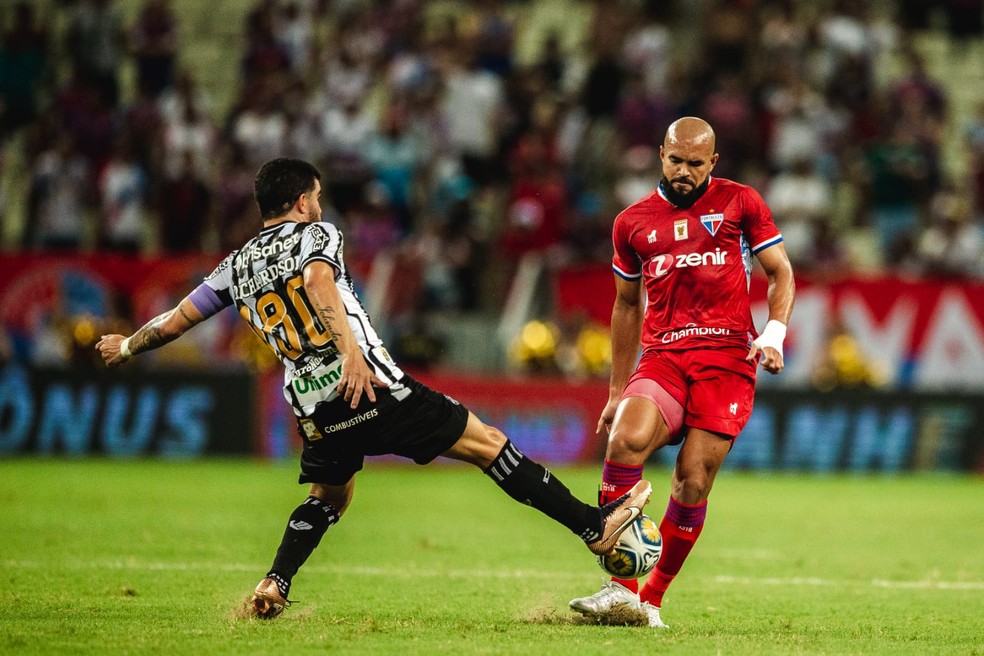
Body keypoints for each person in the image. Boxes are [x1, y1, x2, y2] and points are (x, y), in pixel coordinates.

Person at [95, 157, 652, 619]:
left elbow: (175, 320)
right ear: (301, 201)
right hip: (369, 385)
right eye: (314, 196)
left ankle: (274, 584)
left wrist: (127, 348)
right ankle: (593, 526)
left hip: (312, 405)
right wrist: (351, 354)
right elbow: (317, 280)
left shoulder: (235, 266)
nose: (318, 204)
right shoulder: (317, 233)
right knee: (487, 445)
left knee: (330, 496)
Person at [568, 117, 795, 628]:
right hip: (664, 355)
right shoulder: (632, 222)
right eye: (676, 161)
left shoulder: (742, 202)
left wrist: (774, 334)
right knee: (624, 440)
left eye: (696, 163)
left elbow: (781, 271)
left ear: (713, 163)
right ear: (661, 155)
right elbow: (627, 306)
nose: (685, 171)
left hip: (727, 360)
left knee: (692, 481)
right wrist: (615, 389)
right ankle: (619, 589)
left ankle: (652, 599)